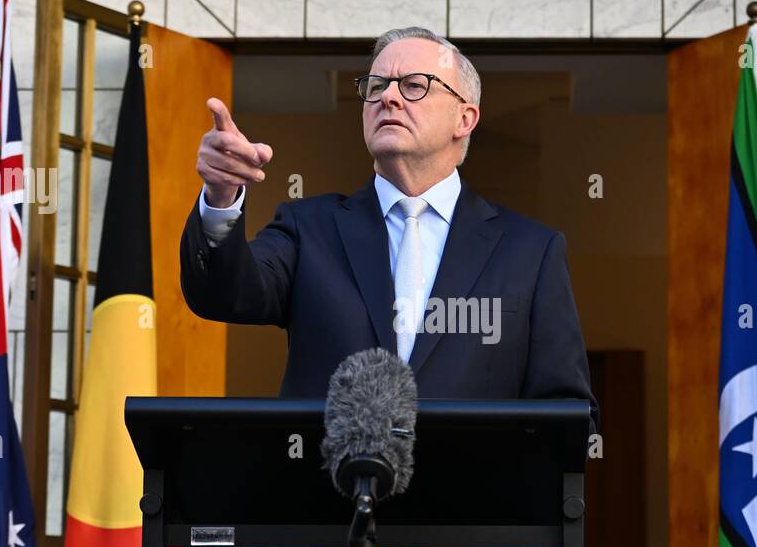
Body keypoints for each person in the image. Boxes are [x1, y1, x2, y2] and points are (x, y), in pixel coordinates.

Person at [179, 26, 599, 435]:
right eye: (377, 85)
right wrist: (220, 195)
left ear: (465, 117)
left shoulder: (531, 251)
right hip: (328, 500)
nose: (389, 97)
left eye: (414, 84)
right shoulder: (308, 228)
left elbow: (566, 414)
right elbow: (224, 294)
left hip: (472, 503)